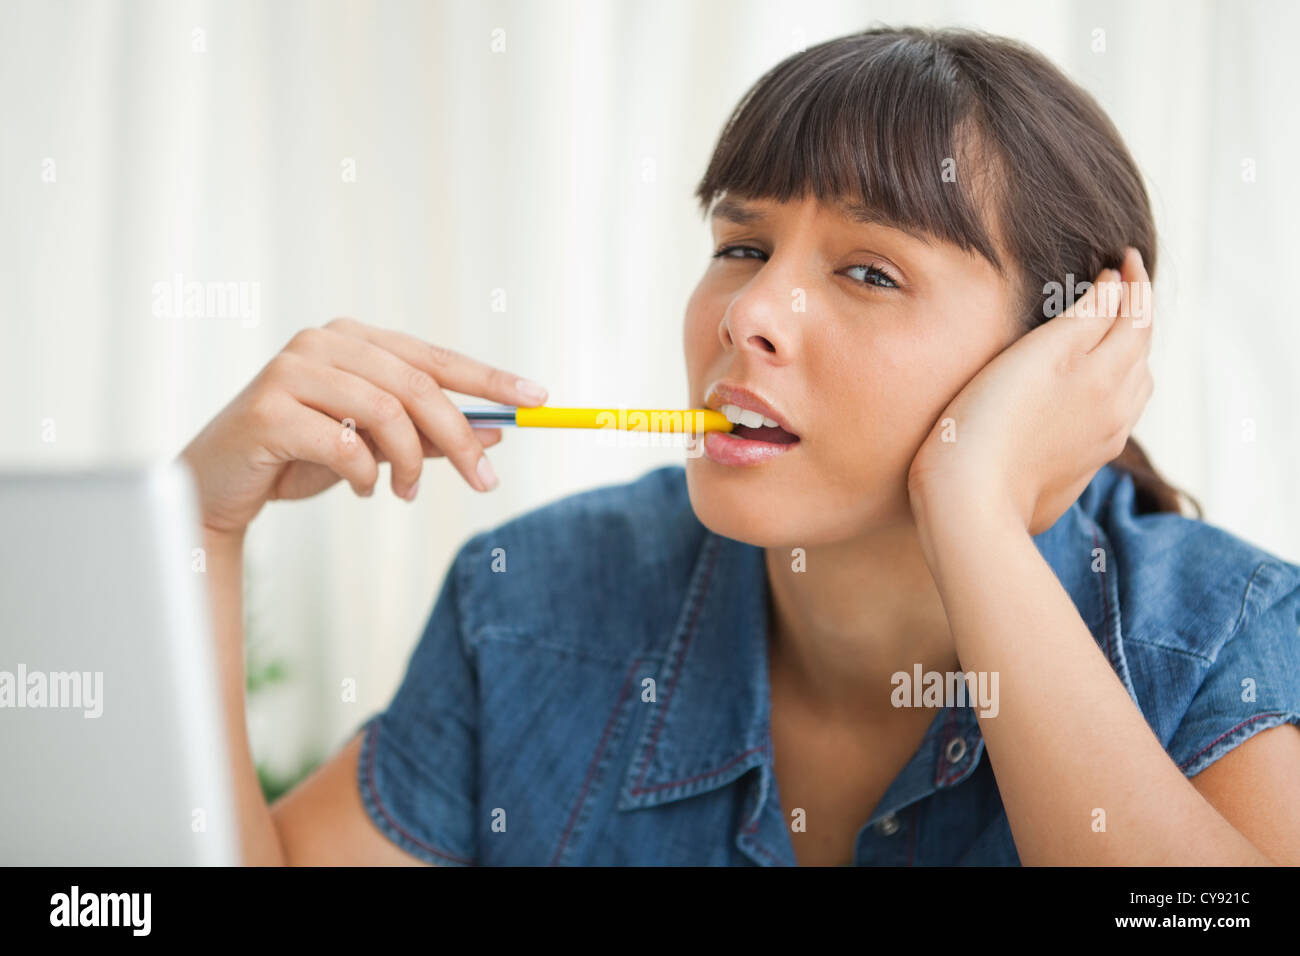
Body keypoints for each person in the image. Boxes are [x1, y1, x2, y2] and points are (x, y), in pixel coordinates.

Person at [181, 25, 1300, 866]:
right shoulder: (535, 605)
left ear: (1063, 352)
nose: (747, 313)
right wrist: (196, 532)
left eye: (868, 270)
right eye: (741, 244)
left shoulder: (1213, 637)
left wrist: (970, 500)